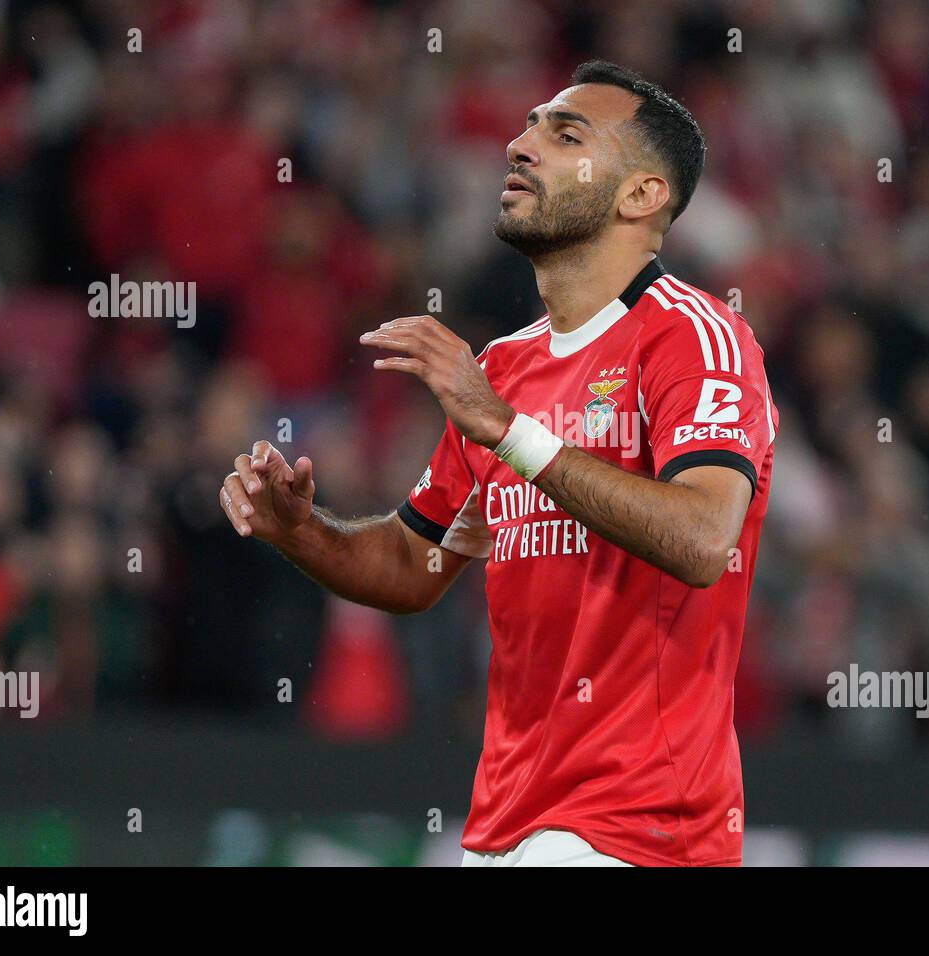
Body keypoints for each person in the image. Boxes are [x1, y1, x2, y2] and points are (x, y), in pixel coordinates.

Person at [219, 60, 778, 866]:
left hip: (642, 831)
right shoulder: (507, 369)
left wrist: (507, 430)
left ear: (641, 195)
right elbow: (416, 563)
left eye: (565, 133)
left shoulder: (693, 337)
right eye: (528, 125)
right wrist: (299, 531)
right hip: (506, 826)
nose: (520, 145)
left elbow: (702, 538)